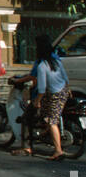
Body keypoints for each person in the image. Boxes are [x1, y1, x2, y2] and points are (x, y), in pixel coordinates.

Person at [32, 32, 71, 160]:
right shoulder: (55, 61)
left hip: (55, 94)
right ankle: (46, 132)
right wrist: (68, 88)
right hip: (63, 90)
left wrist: (37, 100)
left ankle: (58, 151)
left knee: (52, 121)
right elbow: (65, 76)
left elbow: (42, 89)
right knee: (45, 113)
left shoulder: (42, 66)